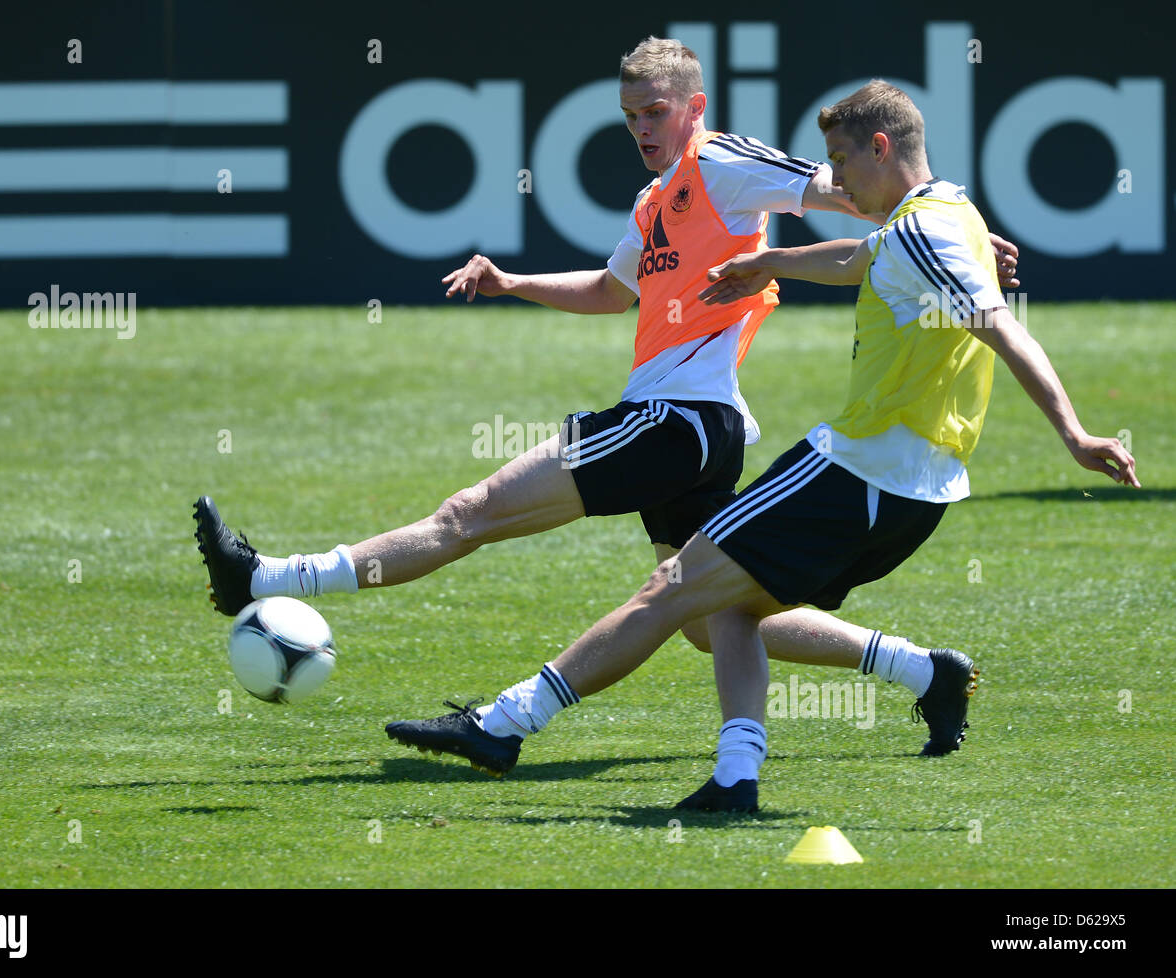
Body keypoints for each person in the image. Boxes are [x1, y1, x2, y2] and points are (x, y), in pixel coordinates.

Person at [196, 39, 1019, 755]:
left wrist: (950, 235)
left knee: (470, 513)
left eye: (655, 111)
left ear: (693, 106)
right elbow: (608, 288)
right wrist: (509, 280)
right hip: (692, 430)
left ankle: (268, 578)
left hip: (675, 421)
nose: (642, 129)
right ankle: (924, 670)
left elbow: (841, 189)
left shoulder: (724, 163)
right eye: (630, 116)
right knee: (709, 614)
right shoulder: (653, 202)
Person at [384, 80, 1138, 811]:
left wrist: (1073, 432)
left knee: (671, 588)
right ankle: (748, 770)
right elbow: (856, 260)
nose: (834, 179)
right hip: (921, 493)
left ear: (880, 148)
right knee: (728, 605)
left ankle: (504, 725)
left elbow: (1000, 327)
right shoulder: (952, 214)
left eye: (842, 162)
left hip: (853, 468)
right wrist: (771, 262)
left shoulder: (920, 232)